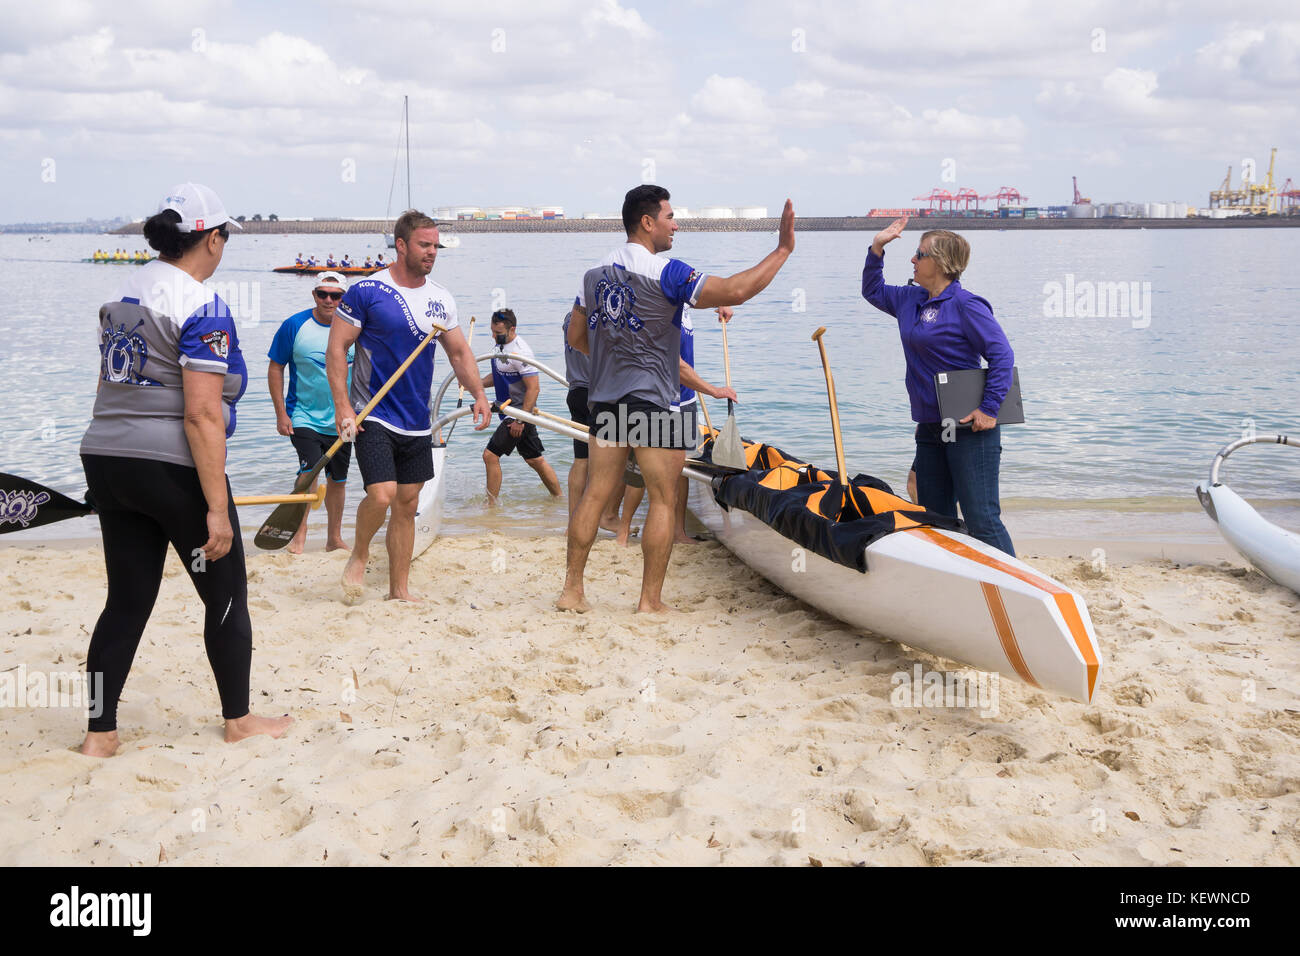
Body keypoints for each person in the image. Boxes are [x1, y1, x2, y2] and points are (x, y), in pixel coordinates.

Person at [77, 182, 291, 757]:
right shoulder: (203, 305)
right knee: (224, 594)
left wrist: (106, 476)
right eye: (224, 237)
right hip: (169, 466)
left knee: (125, 600)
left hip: (107, 455)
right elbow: (200, 413)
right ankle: (240, 719)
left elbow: (109, 383)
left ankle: (100, 736)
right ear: (212, 239)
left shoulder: (122, 291)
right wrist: (216, 509)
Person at [559, 184, 796, 613]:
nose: (676, 224)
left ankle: (572, 591)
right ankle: (649, 601)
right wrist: (781, 251)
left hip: (609, 403)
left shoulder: (592, 275)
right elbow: (735, 291)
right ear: (647, 222)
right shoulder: (666, 271)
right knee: (664, 498)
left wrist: (619, 357)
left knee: (595, 494)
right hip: (658, 404)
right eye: (670, 217)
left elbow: (577, 337)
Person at [327, 209, 489, 602]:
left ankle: (398, 590)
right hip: (373, 413)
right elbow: (336, 348)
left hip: (417, 420)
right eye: (424, 244)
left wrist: (480, 395)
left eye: (436, 245)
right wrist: (343, 407)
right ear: (401, 245)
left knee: (408, 503)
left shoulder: (440, 299)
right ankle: (360, 553)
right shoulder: (367, 292)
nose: (432, 252)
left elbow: (459, 353)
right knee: (382, 494)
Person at [862, 216, 1016, 555]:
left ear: (942, 263)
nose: (913, 260)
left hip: (969, 426)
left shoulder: (966, 305)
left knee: (982, 519)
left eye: (920, 254)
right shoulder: (909, 299)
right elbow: (872, 290)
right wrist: (877, 248)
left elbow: (1002, 356)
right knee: (935, 518)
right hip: (931, 426)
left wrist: (989, 409)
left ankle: (1015, 593)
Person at [615, 306, 737, 546]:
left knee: (682, 467)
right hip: (655, 399)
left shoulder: (683, 301)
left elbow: (704, 295)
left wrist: (722, 302)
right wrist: (713, 391)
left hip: (686, 399)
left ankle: (678, 532)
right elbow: (676, 364)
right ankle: (623, 531)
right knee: (638, 469)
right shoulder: (658, 309)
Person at [268, 270, 355, 554]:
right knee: (310, 471)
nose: (329, 300)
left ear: (345, 298)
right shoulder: (295, 325)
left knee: (338, 480)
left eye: (336, 296)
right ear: (314, 294)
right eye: (323, 294)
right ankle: (299, 535)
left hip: (344, 420)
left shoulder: (355, 328)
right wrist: (281, 413)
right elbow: (275, 367)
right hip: (303, 416)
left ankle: (334, 538)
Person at [480, 309, 562, 503]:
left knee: (490, 456)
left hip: (517, 413)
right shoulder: (500, 346)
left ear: (512, 329)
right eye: (492, 331)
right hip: (514, 412)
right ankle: (560, 499)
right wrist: (475, 384)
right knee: (535, 459)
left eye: (498, 333)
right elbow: (499, 376)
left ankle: (490, 507)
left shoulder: (521, 352)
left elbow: (534, 388)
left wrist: (520, 420)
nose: (494, 336)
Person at [562, 301, 623, 531]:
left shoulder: (569, 318)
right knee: (613, 461)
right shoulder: (600, 322)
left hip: (575, 392)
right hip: (600, 396)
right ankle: (607, 516)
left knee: (581, 461)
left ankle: (574, 522)